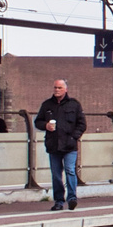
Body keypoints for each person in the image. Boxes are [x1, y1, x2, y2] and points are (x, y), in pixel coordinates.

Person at [34, 79, 85, 211]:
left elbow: (82, 124)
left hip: (69, 145)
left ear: (65, 89)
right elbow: (37, 121)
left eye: (59, 88)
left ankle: (72, 198)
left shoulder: (74, 105)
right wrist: (46, 125)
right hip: (53, 145)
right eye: (55, 88)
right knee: (56, 174)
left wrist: (74, 137)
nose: (57, 90)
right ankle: (58, 201)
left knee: (70, 170)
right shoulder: (47, 105)